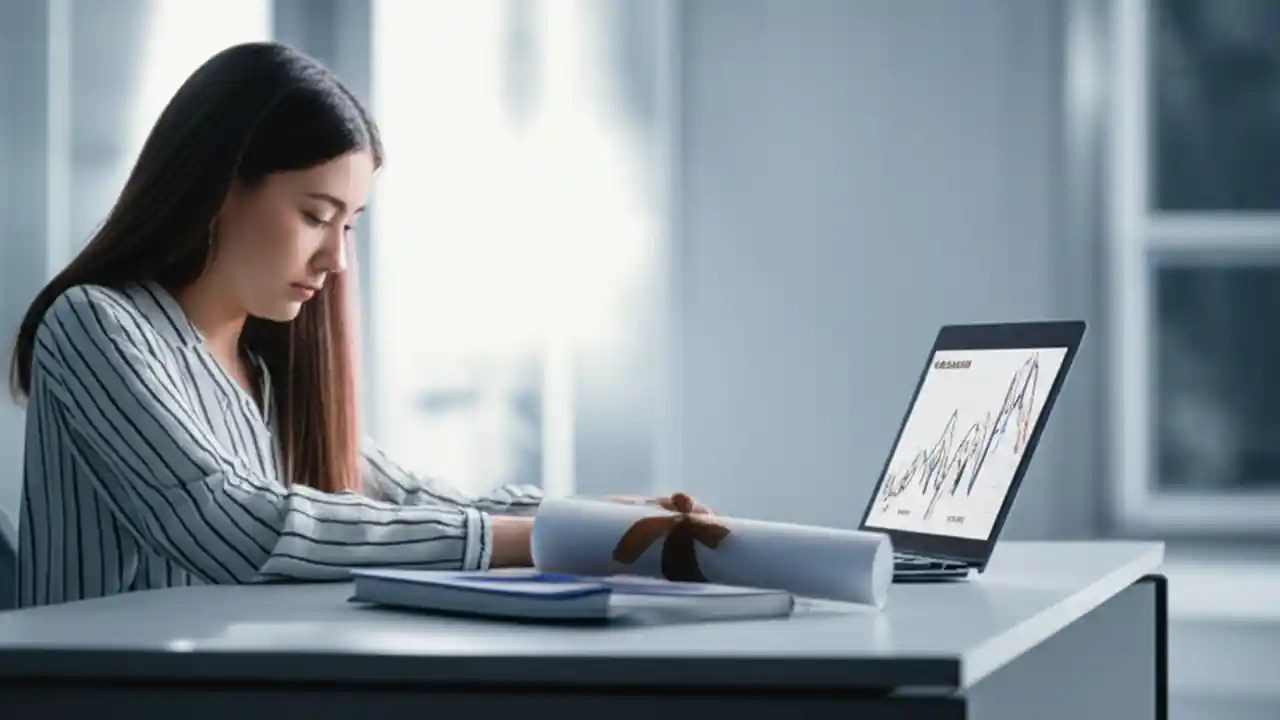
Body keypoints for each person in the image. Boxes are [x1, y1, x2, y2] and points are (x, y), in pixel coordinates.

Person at [7, 42, 704, 608]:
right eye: (314, 215)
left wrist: (595, 514)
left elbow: (412, 497)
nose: (336, 259)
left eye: (349, 226)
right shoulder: (95, 324)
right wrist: (549, 537)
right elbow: (236, 527)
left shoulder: (263, 369)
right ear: (220, 187)